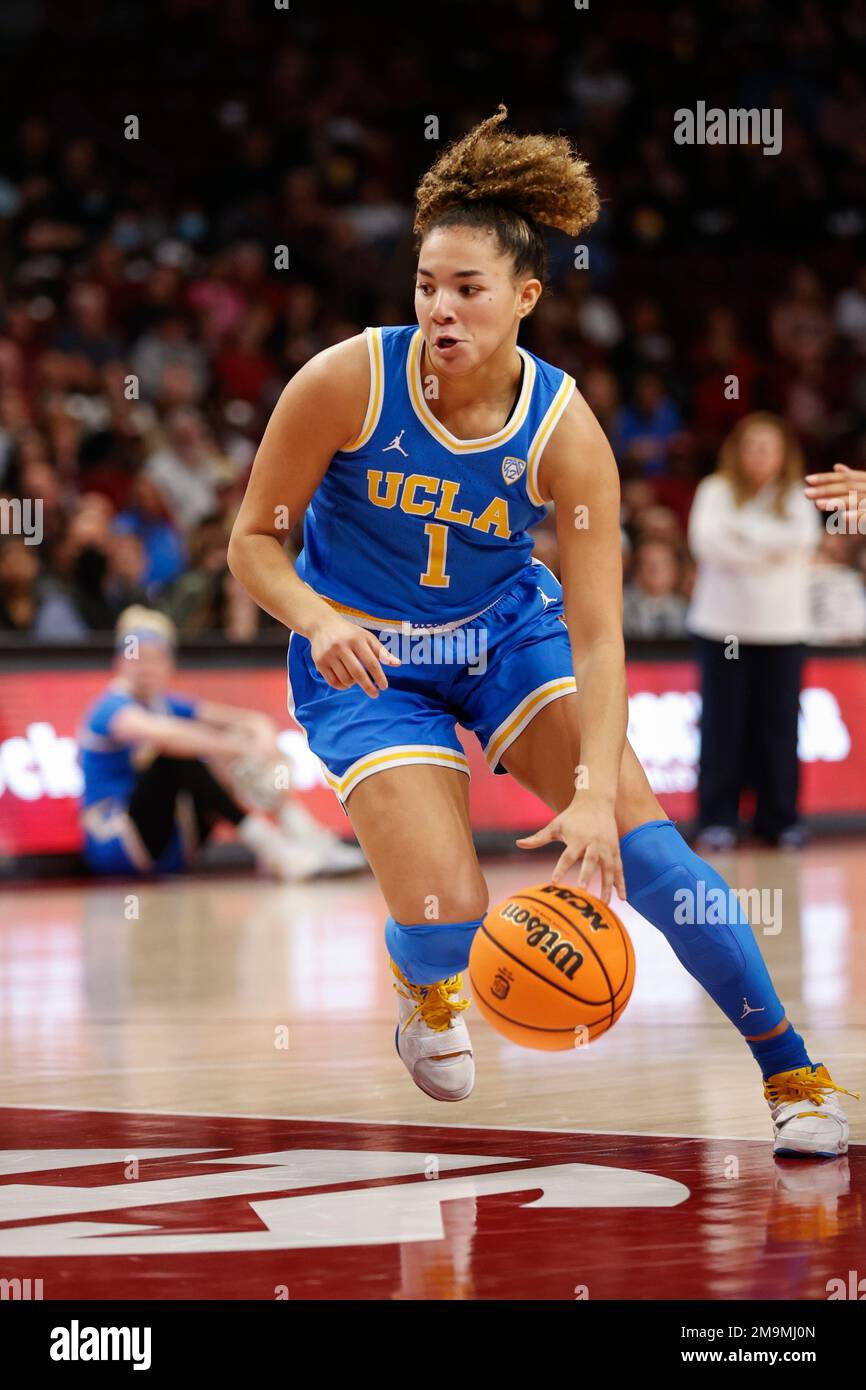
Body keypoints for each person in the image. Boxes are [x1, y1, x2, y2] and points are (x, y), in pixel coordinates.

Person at [228, 107, 857, 1156]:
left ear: (525, 295)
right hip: (368, 660)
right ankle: (426, 986)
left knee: (646, 851)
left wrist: (592, 801)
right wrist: (314, 615)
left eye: (467, 288)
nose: (440, 306)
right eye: (426, 285)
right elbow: (252, 540)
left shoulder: (565, 433)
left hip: (502, 640)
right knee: (443, 909)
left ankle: (789, 1067)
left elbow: (601, 634)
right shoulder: (346, 380)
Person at [79, 605, 366, 881]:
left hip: (171, 842)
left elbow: (250, 721)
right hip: (118, 845)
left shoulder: (164, 704)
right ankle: (272, 848)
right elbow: (167, 736)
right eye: (137, 657)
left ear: (169, 664)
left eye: (155, 659)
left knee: (222, 746)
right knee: (178, 756)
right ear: (119, 662)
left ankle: (305, 835)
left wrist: (260, 740)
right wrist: (242, 748)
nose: (147, 667)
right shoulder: (110, 708)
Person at [687, 414, 821, 851]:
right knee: (722, 727)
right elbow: (707, 544)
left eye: (769, 446)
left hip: (783, 631)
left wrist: (743, 539)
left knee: (779, 729)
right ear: (738, 450)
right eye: (753, 445)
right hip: (722, 629)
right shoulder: (715, 491)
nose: (760, 454)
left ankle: (779, 821)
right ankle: (717, 820)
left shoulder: (799, 497)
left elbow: (800, 542)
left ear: (784, 453)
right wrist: (768, 546)